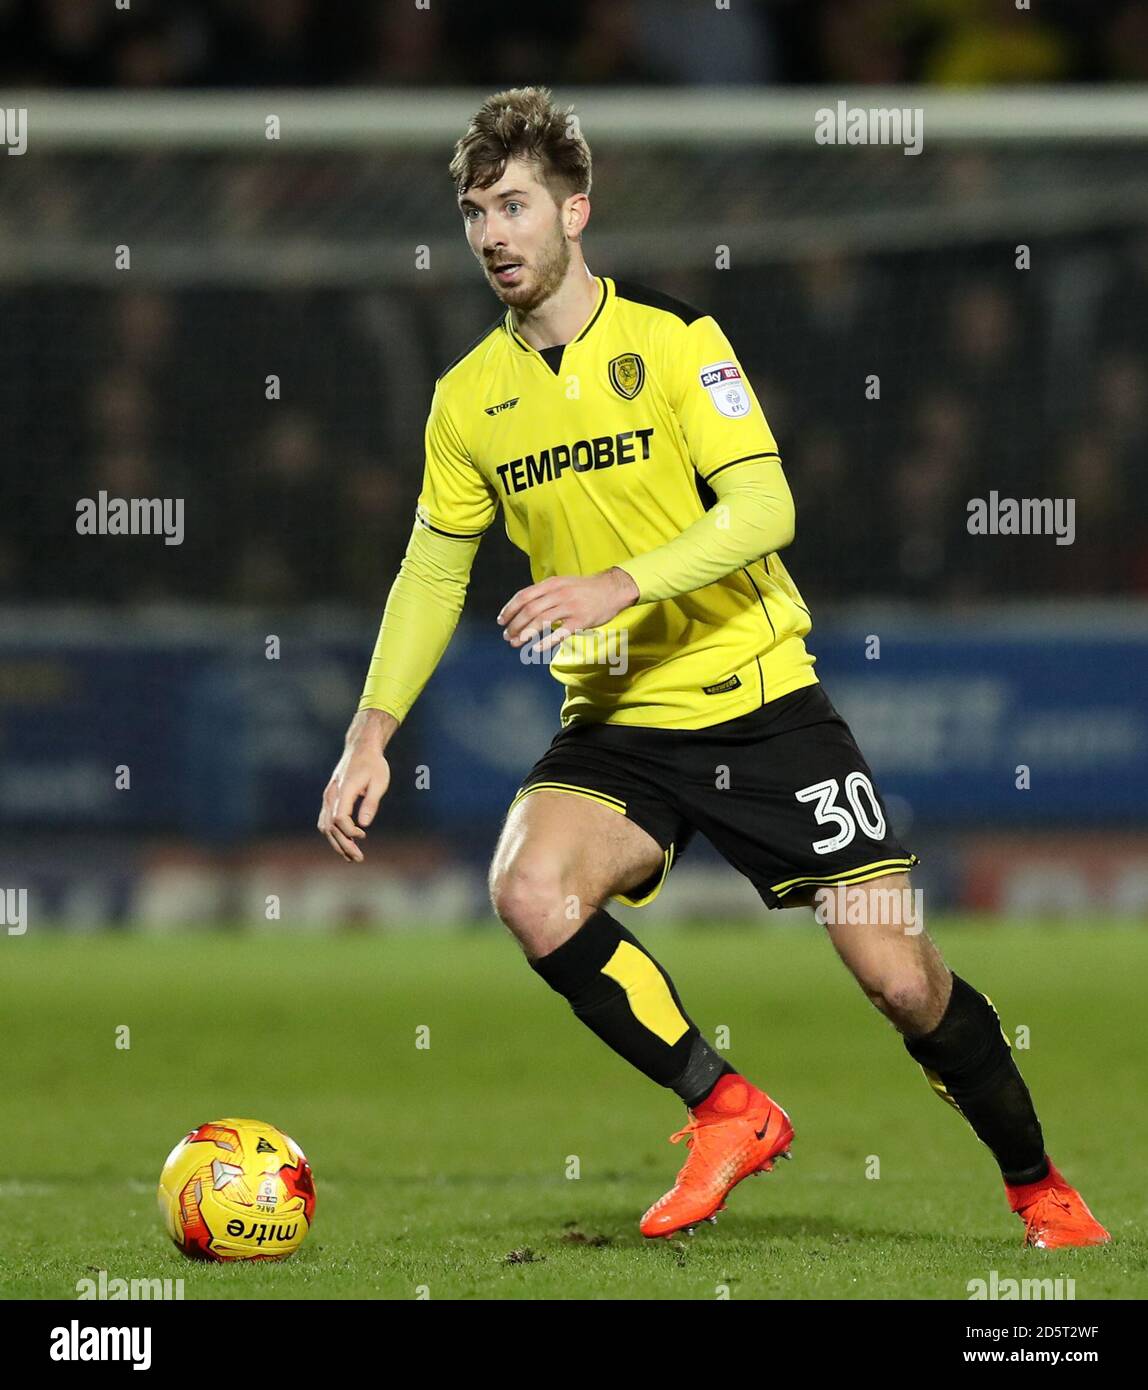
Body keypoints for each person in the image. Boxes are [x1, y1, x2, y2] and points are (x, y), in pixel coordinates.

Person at [319, 86, 1108, 1248]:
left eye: (516, 204)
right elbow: (431, 572)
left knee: (897, 978)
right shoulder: (464, 403)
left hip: (760, 700)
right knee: (529, 889)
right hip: (619, 724)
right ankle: (725, 1107)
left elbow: (765, 505)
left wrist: (615, 585)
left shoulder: (676, 340)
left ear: (575, 210)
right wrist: (370, 731)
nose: (492, 232)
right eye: (477, 209)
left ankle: (1037, 1182)